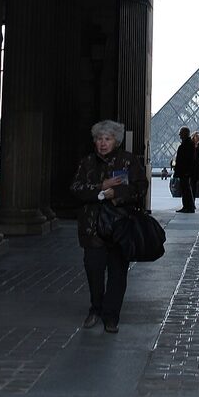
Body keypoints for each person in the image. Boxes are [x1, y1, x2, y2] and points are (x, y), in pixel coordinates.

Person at [70, 119, 147, 333]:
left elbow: (140, 188)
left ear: (116, 141)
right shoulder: (87, 163)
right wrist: (101, 188)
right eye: (99, 139)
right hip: (92, 228)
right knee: (93, 271)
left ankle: (111, 316)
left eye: (108, 139)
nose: (103, 143)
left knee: (117, 274)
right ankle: (96, 308)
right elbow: (76, 189)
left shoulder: (129, 162)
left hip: (119, 227)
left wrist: (117, 194)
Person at [174, 126, 197, 212]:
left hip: (184, 171)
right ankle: (188, 206)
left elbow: (188, 159)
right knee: (185, 189)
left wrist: (187, 170)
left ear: (185, 133)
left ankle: (188, 206)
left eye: (181, 133)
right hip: (184, 170)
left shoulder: (187, 144)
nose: (179, 135)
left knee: (186, 189)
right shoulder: (189, 144)